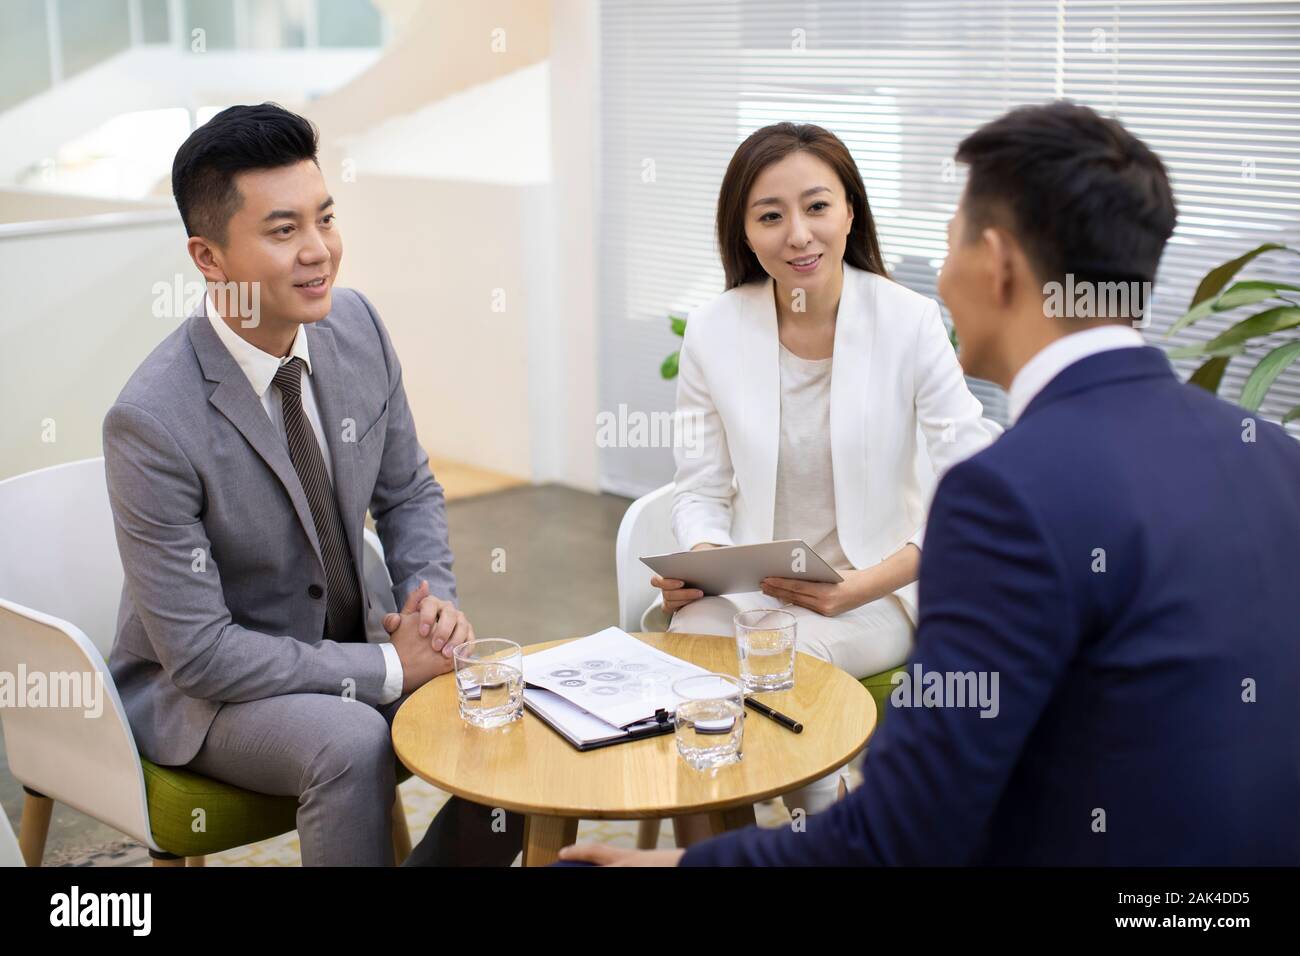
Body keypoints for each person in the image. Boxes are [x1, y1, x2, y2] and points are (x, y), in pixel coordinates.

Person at [563, 100, 1300, 866]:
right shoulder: (1275, 457)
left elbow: (902, 834)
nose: (940, 278)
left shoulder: (1004, 493)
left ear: (996, 262)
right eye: (771, 215)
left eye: (949, 241)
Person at [103, 103, 522, 866]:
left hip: (353, 641)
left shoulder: (354, 325)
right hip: (212, 697)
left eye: (324, 218)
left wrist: (431, 607)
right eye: (282, 230)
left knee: (509, 704)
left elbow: (408, 492)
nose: (319, 251)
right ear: (209, 256)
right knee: (352, 738)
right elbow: (199, 655)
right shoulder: (151, 421)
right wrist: (391, 668)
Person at [651, 122, 999, 815]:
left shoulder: (908, 321)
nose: (798, 234)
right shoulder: (715, 331)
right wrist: (707, 560)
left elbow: (973, 486)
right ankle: (733, 842)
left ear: (850, 213)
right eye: (770, 216)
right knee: (692, 659)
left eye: (817, 206)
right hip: (753, 596)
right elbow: (701, 488)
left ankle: (821, 826)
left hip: (874, 596)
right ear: (744, 232)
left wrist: (863, 585)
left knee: (774, 667)